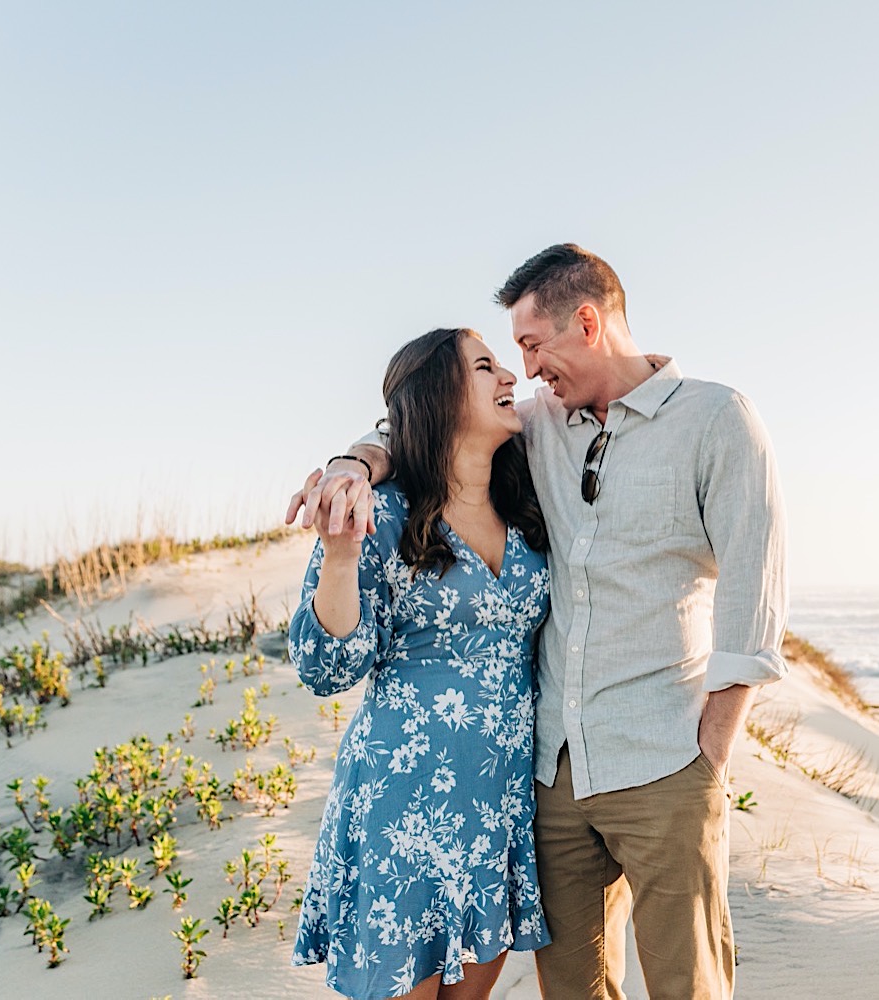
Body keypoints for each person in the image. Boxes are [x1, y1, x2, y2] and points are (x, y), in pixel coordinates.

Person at [287, 245, 788, 1000]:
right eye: (503, 357)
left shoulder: (713, 421)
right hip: (531, 779)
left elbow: (754, 599)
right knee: (574, 990)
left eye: (528, 346)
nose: (523, 371)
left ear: (587, 322)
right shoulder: (531, 430)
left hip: (649, 761)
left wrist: (710, 756)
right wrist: (351, 464)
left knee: (688, 985)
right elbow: (415, 422)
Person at [288, 327, 553, 1000]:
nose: (509, 380)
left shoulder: (527, 513)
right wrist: (342, 554)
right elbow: (327, 668)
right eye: (487, 367)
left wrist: (359, 454)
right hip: (403, 809)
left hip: (496, 810)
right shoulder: (380, 511)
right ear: (439, 394)